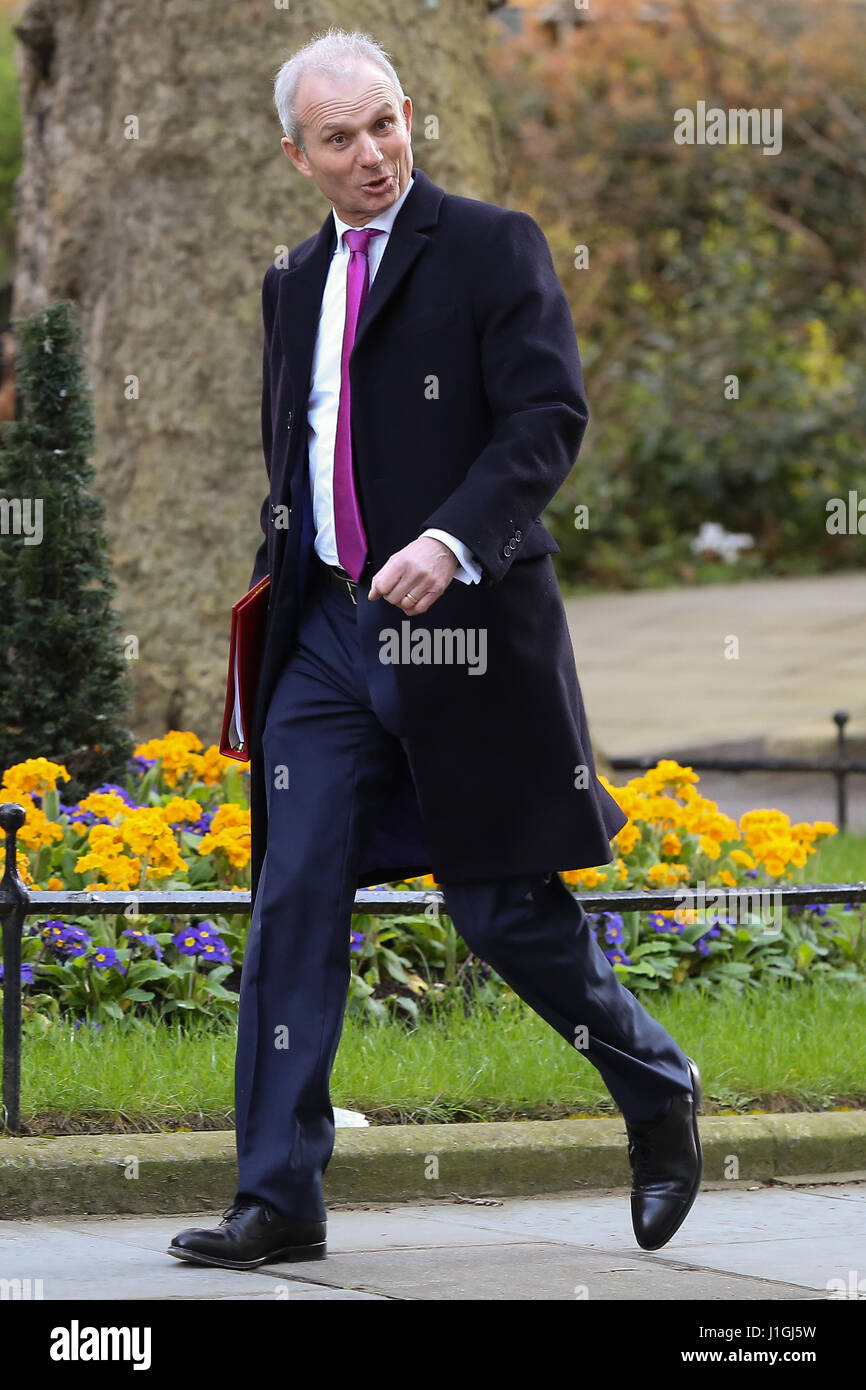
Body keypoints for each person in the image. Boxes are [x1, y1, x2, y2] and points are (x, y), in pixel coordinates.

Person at [168, 27, 701, 1272]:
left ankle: (653, 1082)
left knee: (501, 909)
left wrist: (453, 540)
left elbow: (542, 418)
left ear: (410, 113)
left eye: (384, 125)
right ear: (293, 154)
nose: (371, 154)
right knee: (291, 898)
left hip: (463, 632)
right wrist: (279, 593)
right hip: (323, 635)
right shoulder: (288, 281)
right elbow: (299, 452)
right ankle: (277, 1196)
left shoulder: (489, 246)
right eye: (339, 139)